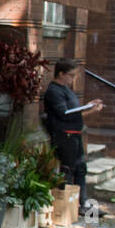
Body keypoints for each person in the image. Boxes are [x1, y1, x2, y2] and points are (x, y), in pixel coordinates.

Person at [43, 58, 103, 209]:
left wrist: (89, 105)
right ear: (61, 74)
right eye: (71, 75)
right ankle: (65, 205)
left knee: (81, 167)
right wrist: (90, 111)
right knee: (68, 169)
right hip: (65, 135)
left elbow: (74, 111)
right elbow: (66, 115)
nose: (73, 79)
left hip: (75, 133)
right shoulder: (54, 91)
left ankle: (83, 202)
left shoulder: (67, 90)